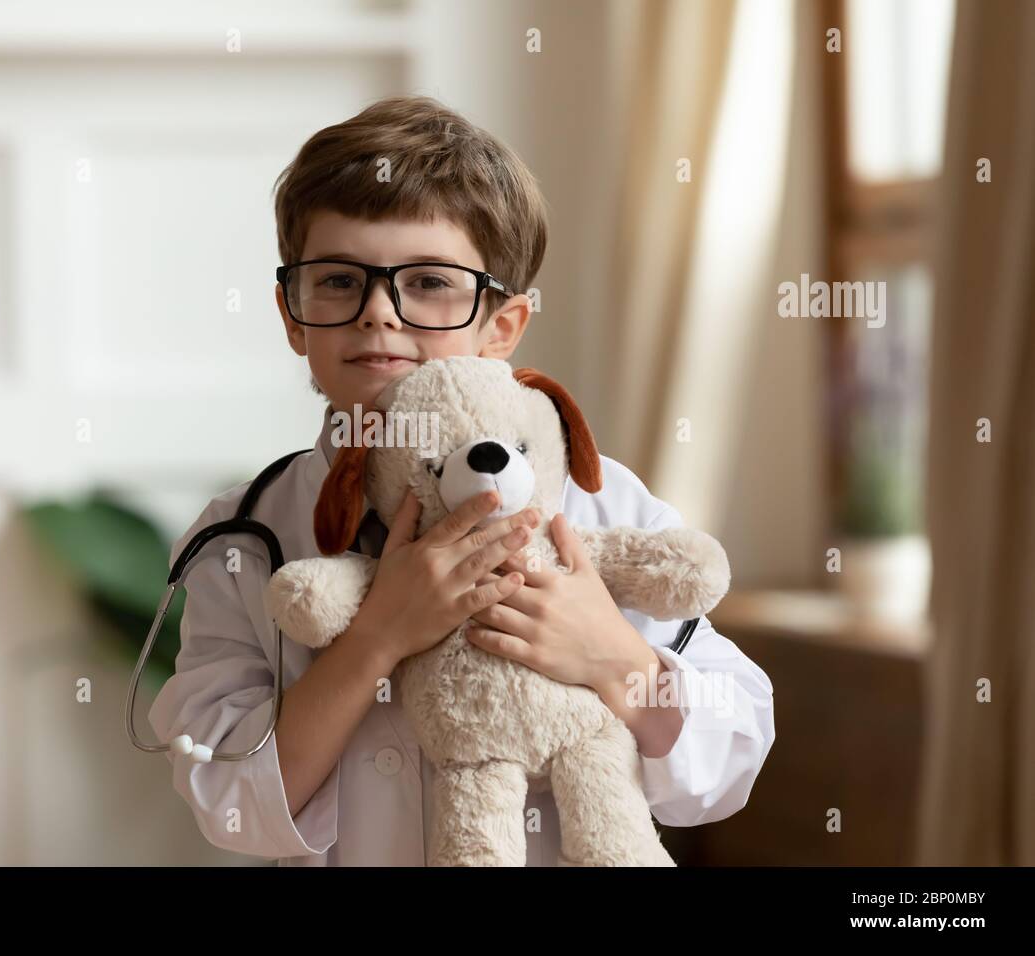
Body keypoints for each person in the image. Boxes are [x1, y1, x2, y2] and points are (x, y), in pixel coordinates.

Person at [148, 94, 774, 866]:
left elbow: (727, 762)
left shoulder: (598, 501)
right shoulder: (244, 534)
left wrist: (610, 654)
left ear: (501, 328)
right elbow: (233, 806)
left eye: (430, 284)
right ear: (292, 314)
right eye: (339, 282)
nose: (379, 314)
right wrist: (378, 636)